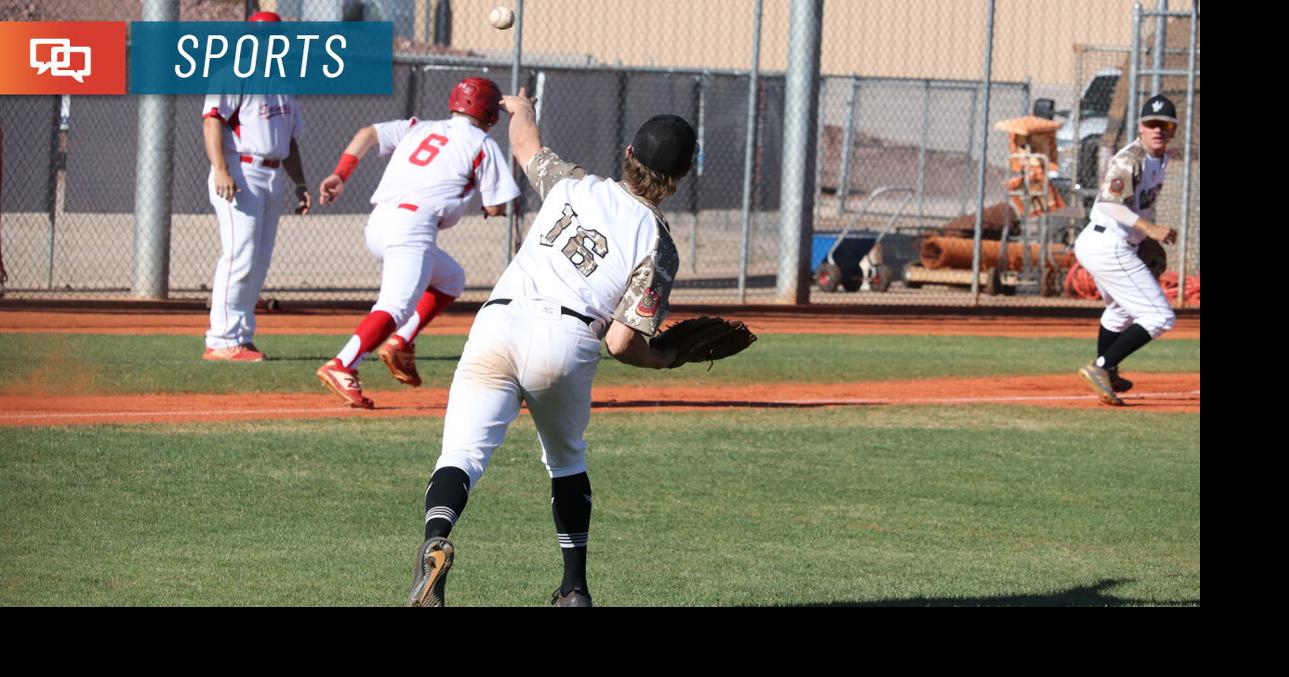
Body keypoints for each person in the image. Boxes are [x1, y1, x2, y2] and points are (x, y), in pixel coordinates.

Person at [406, 87, 698, 608]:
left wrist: (522, 109)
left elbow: (525, 146)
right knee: (565, 462)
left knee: (462, 455)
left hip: (499, 321)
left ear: (628, 153)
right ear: (680, 177)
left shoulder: (572, 184)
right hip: (566, 339)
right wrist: (668, 357)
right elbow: (622, 342)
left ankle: (436, 540)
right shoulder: (658, 242)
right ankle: (574, 589)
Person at [314, 77, 520, 408]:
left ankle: (401, 341)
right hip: (413, 228)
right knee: (395, 307)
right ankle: (343, 364)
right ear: (491, 115)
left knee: (451, 278)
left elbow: (367, 134)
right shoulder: (482, 144)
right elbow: (496, 207)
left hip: (380, 221)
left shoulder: (419, 127)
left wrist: (341, 173)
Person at [202, 10, 310, 362]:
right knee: (240, 255)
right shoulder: (232, 74)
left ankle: (241, 336)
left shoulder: (283, 82)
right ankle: (221, 340)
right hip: (241, 170)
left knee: (259, 260)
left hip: (273, 174)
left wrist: (300, 183)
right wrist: (221, 169)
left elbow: (289, 141)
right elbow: (212, 121)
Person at [1074, 94, 1179, 406]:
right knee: (1159, 316)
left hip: (1109, 243)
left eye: (1164, 125)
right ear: (1141, 127)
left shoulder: (1160, 159)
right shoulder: (1130, 158)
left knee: (1120, 310)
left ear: (1172, 130)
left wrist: (1142, 237)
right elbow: (1109, 204)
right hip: (1108, 244)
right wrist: (1148, 229)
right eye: (1151, 123)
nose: (1157, 129)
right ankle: (1101, 366)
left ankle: (1109, 371)